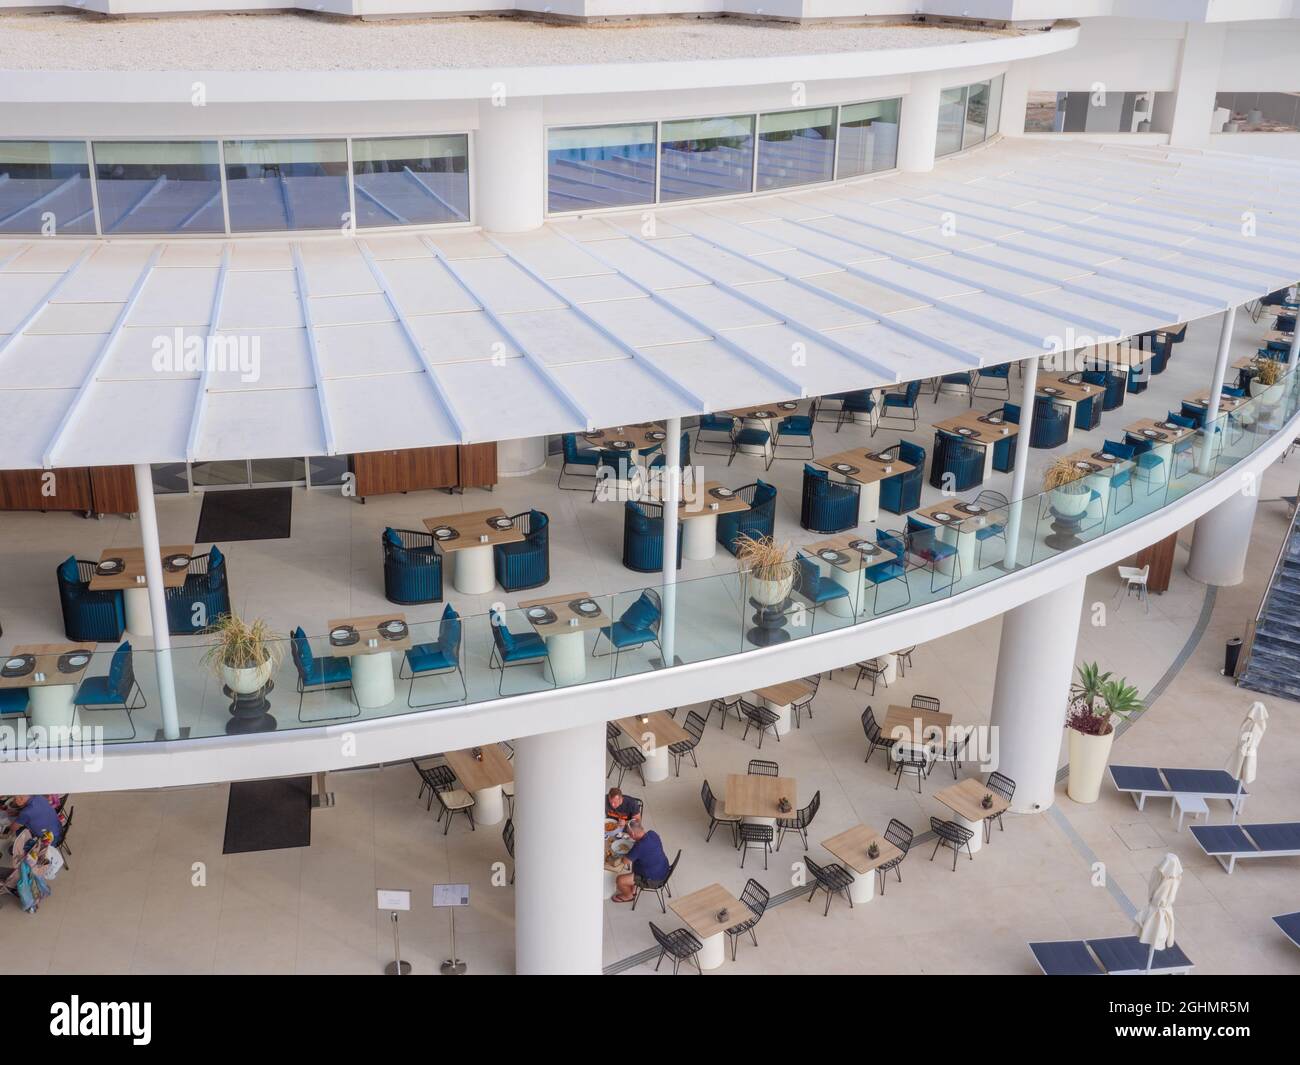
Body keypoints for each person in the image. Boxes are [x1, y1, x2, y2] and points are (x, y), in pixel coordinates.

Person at [612, 821, 669, 903]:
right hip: (664, 868)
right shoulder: (652, 833)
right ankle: (634, 886)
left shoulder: (639, 847)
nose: (628, 835)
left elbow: (625, 861)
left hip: (654, 879)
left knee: (620, 880)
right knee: (636, 862)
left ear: (632, 833)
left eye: (628, 833)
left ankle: (628, 896)